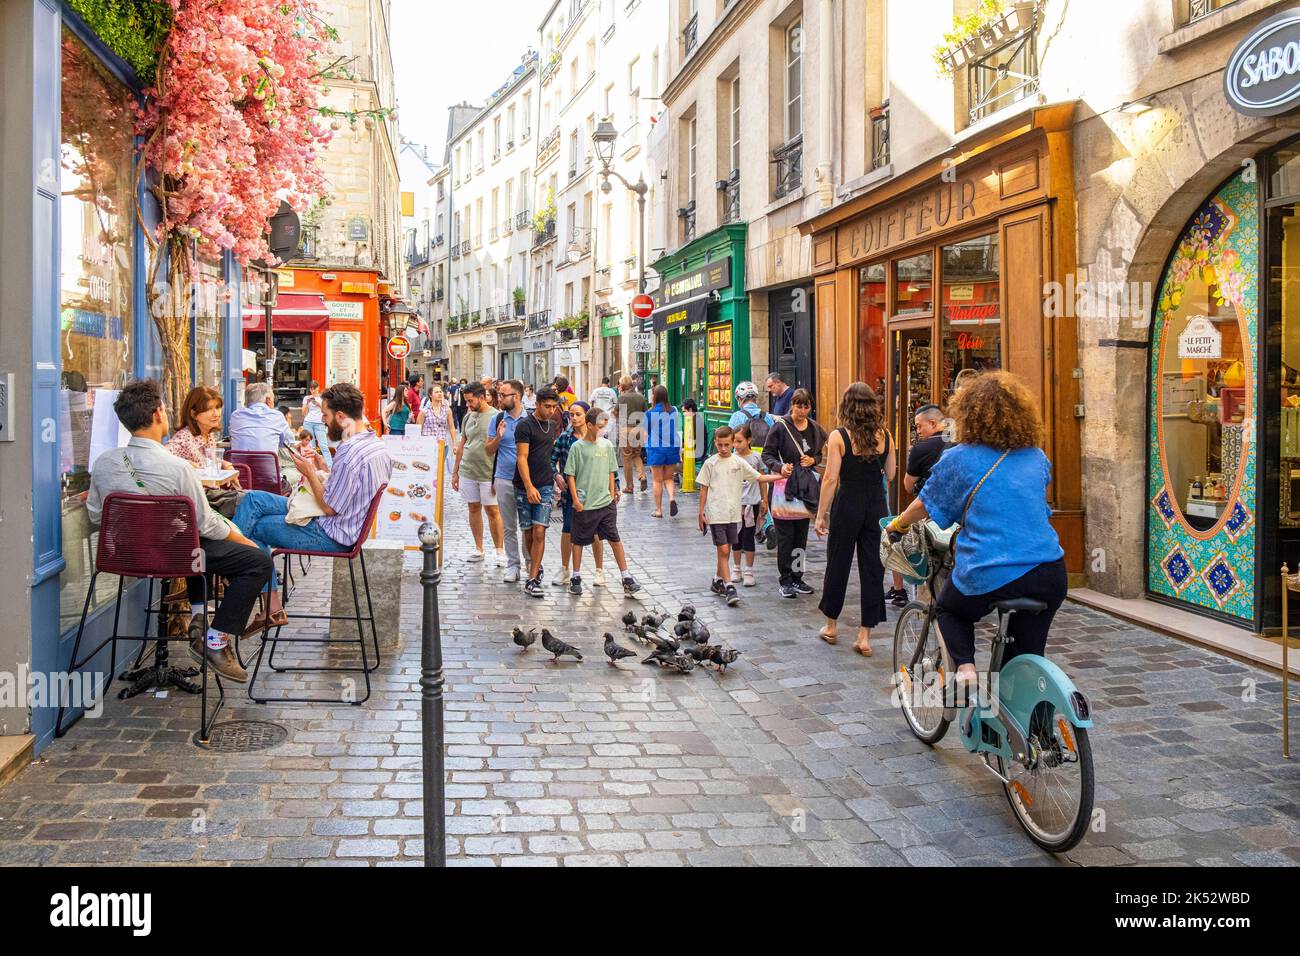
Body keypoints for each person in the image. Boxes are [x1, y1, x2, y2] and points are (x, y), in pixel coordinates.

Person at [887, 371, 1066, 687]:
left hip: (992, 568)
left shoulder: (959, 457)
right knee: (1026, 657)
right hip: (1048, 571)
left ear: (967, 414)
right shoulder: (1036, 456)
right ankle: (1033, 727)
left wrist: (898, 524)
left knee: (950, 610)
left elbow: (925, 504)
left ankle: (967, 673)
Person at [88, 379, 271, 683]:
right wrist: (245, 541)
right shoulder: (177, 467)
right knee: (257, 562)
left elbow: (96, 516)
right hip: (175, 558)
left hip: (121, 558)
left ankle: (200, 616)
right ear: (158, 413)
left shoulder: (104, 463)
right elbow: (206, 524)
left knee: (188, 540)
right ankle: (215, 642)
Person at [233, 383, 393, 621]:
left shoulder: (350, 453)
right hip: (345, 526)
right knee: (254, 500)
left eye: (326, 416)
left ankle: (263, 600)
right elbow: (344, 488)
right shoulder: (374, 443)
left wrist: (308, 472)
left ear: (340, 417)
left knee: (256, 528)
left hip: (333, 535)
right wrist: (321, 465)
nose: (324, 422)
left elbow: (330, 506)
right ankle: (236, 575)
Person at [814, 383, 894, 656]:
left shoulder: (839, 436)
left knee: (838, 562)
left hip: (848, 503)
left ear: (847, 405)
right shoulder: (886, 435)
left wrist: (820, 514)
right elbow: (891, 473)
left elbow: (831, 478)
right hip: (875, 505)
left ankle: (832, 625)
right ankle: (865, 636)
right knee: (873, 568)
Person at [697, 425, 781, 607]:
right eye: (720, 445)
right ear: (715, 443)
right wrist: (701, 512)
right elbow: (703, 489)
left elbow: (759, 477)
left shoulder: (738, 462)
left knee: (725, 550)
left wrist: (781, 476)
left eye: (727, 444)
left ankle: (717, 579)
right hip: (716, 513)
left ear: (732, 442)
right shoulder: (710, 463)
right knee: (724, 550)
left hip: (733, 514)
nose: (724, 449)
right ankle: (729, 587)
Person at [565, 406, 642, 596]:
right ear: (589, 425)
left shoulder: (606, 445)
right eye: (600, 426)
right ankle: (575, 576)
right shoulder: (577, 447)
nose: (603, 430)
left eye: (605, 426)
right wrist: (575, 499)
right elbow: (571, 475)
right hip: (585, 503)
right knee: (579, 540)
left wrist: (612, 491)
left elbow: (611, 470)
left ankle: (626, 576)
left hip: (605, 503)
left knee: (614, 538)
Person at [762, 388, 827, 599]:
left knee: (801, 537)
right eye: (798, 405)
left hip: (805, 489)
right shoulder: (780, 428)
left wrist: (814, 460)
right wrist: (780, 467)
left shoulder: (816, 429)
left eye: (805, 406)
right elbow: (767, 454)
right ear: (792, 405)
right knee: (785, 537)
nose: (801, 410)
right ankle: (786, 579)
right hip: (785, 488)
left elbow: (818, 454)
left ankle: (798, 577)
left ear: (810, 407)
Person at [884, 403, 951, 607]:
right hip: (958, 514)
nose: (918, 431)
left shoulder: (921, 448)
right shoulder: (960, 443)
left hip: (929, 512)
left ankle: (910, 594)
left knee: (902, 542)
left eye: (919, 426)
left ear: (933, 423)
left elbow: (907, 484)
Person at [513, 385, 561, 598]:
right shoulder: (525, 426)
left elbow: (549, 455)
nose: (551, 410)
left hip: (545, 484)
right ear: (538, 404)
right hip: (524, 486)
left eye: (553, 406)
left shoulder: (552, 425)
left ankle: (532, 579)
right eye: (547, 406)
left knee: (540, 530)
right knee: (529, 532)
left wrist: (555, 476)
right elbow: (521, 458)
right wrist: (529, 486)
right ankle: (534, 565)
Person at [550, 402, 605, 587]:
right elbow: (551, 461)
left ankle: (599, 571)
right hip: (571, 494)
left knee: (597, 532)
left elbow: (608, 465)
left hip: (595, 492)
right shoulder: (565, 438)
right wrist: (557, 475)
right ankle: (566, 569)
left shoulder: (598, 438)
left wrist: (617, 486)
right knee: (568, 530)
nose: (574, 418)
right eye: (571, 415)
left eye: (578, 414)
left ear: (586, 416)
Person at [452, 382, 505, 565]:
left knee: (492, 510)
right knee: (473, 508)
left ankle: (499, 551)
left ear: (481, 397)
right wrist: (455, 472)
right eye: (466, 401)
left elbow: (502, 448)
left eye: (471, 401)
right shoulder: (468, 417)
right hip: (468, 470)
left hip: (488, 472)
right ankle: (479, 548)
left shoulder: (497, 416)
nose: (468, 405)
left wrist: (499, 475)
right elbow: (461, 445)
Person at [484, 379, 527, 582]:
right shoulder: (498, 419)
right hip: (503, 478)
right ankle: (513, 566)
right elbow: (488, 450)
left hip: (526, 480)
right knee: (509, 526)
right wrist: (499, 437)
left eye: (502, 395)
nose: (498, 398)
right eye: (498, 395)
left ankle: (532, 567)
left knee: (528, 526)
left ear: (516, 397)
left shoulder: (530, 418)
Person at [731, 424, 769, 588]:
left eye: (739, 441)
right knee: (735, 538)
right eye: (734, 441)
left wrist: (764, 500)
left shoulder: (756, 458)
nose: (736, 445)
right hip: (734, 504)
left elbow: (762, 479)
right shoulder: (731, 457)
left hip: (751, 503)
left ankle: (749, 571)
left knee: (748, 537)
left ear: (749, 440)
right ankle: (736, 568)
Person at [167, 385, 226, 471]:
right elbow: (160, 457)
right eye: (209, 409)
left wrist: (224, 463)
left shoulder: (209, 434)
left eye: (217, 407)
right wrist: (186, 463)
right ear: (193, 414)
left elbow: (207, 462)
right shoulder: (184, 438)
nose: (216, 414)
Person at [645, 385, 680, 518]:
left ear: (654, 396)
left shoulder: (650, 413)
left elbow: (646, 432)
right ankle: (671, 498)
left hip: (656, 448)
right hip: (672, 447)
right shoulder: (674, 411)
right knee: (669, 478)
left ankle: (659, 510)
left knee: (657, 480)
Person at [229, 381, 294, 453]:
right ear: (268, 400)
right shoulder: (277, 416)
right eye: (273, 399)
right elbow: (289, 441)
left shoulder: (236, 416)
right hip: (267, 463)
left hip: (239, 464)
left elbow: (232, 437)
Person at [613, 374, 647, 496]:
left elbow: (616, 413)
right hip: (639, 429)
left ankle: (629, 486)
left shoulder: (622, 398)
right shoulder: (641, 397)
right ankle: (642, 476)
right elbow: (645, 413)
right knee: (636, 455)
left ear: (622, 385)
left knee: (627, 457)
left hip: (626, 429)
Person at [729, 381, 776, 453]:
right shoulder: (767, 416)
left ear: (740, 399)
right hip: (764, 458)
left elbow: (729, 439)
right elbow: (774, 437)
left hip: (742, 459)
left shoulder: (736, 416)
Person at [418, 382, 458, 460]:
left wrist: (454, 444)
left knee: (440, 470)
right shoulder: (424, 411)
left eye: (440, 392)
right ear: (430, 395)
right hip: (428, 444)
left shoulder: (447, 410)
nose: (439, 394)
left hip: (443, 445)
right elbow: (419, 429)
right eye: (436, 392)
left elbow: (452, 427)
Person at [301, 380, 332, 465]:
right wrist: (307, 403)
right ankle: (312, 466)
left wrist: (318, 404)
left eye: (314, 388)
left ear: (318, 388)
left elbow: (326, 411)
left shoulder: (322, 398)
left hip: (319, 423)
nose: (313, 390)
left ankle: (330, 466)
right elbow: (303, 413)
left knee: (323, 446)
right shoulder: (306, 398)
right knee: (311, 446)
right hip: (308, 422)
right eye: (311, 388)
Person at [681, 398, 709, 477]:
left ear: (690, 410)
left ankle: (683, 475)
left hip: (698, 451)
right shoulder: (694, 419)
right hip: (695, 448)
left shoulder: (696, 421)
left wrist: (681, 447)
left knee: (674, 454)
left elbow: (692, 441)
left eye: (684, 412)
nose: (683, 414)